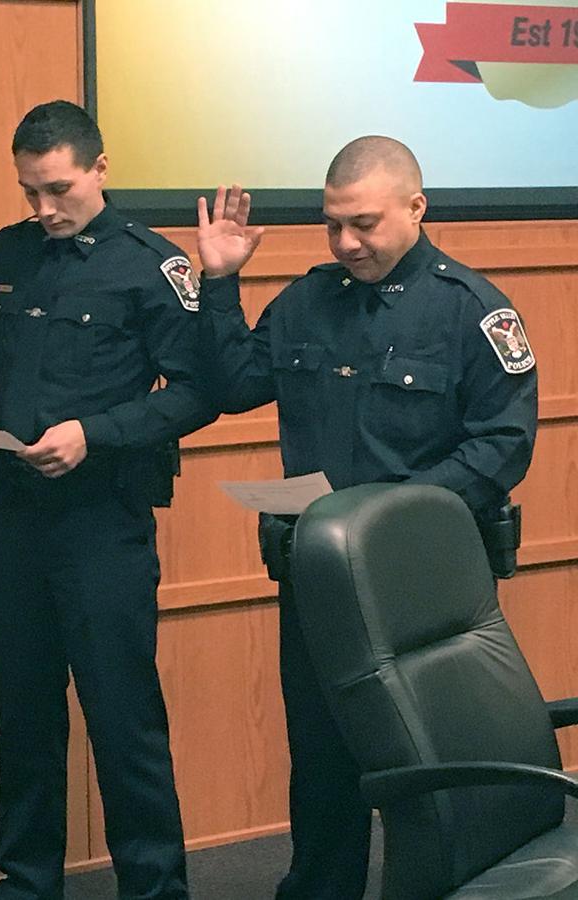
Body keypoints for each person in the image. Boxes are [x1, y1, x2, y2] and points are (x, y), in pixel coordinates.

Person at [0, 100, 216, 899]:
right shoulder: (15, 250)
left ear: (100, 170)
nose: (44, 208)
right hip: (13, 524)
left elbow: (199, 392)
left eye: (59, 189)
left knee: (122, 718)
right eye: (30, 191)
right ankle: (28, 882)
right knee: (25, 718)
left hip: (102, 524)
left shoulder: (153, 265)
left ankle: (154, 887)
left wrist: (95, 432)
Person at [195, 136, 538, 898]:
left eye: (366, 224)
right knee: (321, 760)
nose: (347, 242)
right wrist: (221, 283)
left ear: (417, 207)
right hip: (318, 577)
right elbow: (235, 384)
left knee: (429, 763)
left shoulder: (473, 312)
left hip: (425, 585)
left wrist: (381, 520)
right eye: (333, 225)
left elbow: (501, 448)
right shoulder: (308, 299)